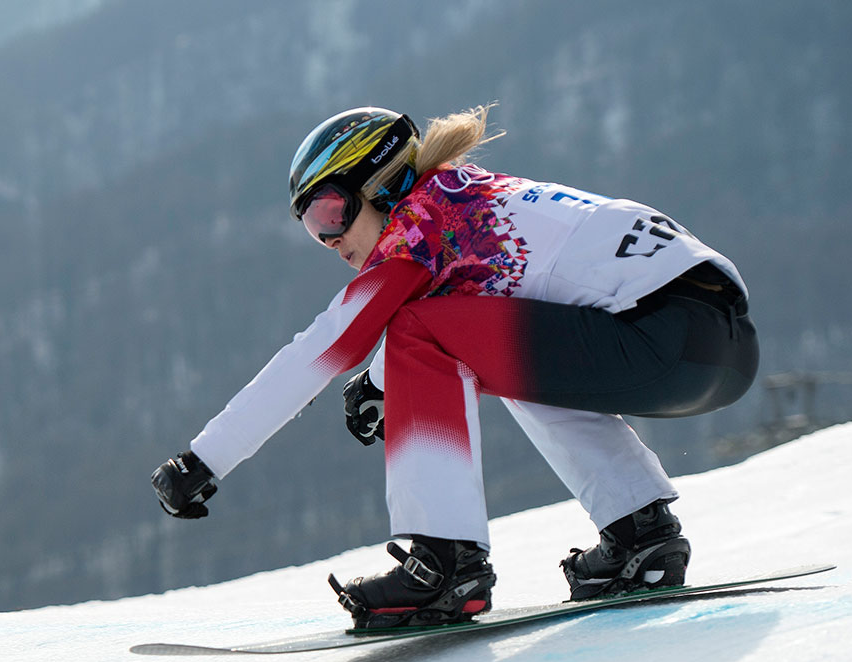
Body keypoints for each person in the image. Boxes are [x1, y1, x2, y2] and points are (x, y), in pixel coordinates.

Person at [152, 105, 758, 630]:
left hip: (665, 331)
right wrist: (382, 385)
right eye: (312, 227)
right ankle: (640, 535)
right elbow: (478, 322)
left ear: (381, 183)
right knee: (510, 343)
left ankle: (445, 563)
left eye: (330, 211)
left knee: (425, 330)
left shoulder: (422, 225)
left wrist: (204, 459)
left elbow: (324, 347)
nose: (328, 239)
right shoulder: (462, 201)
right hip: (717, 340)